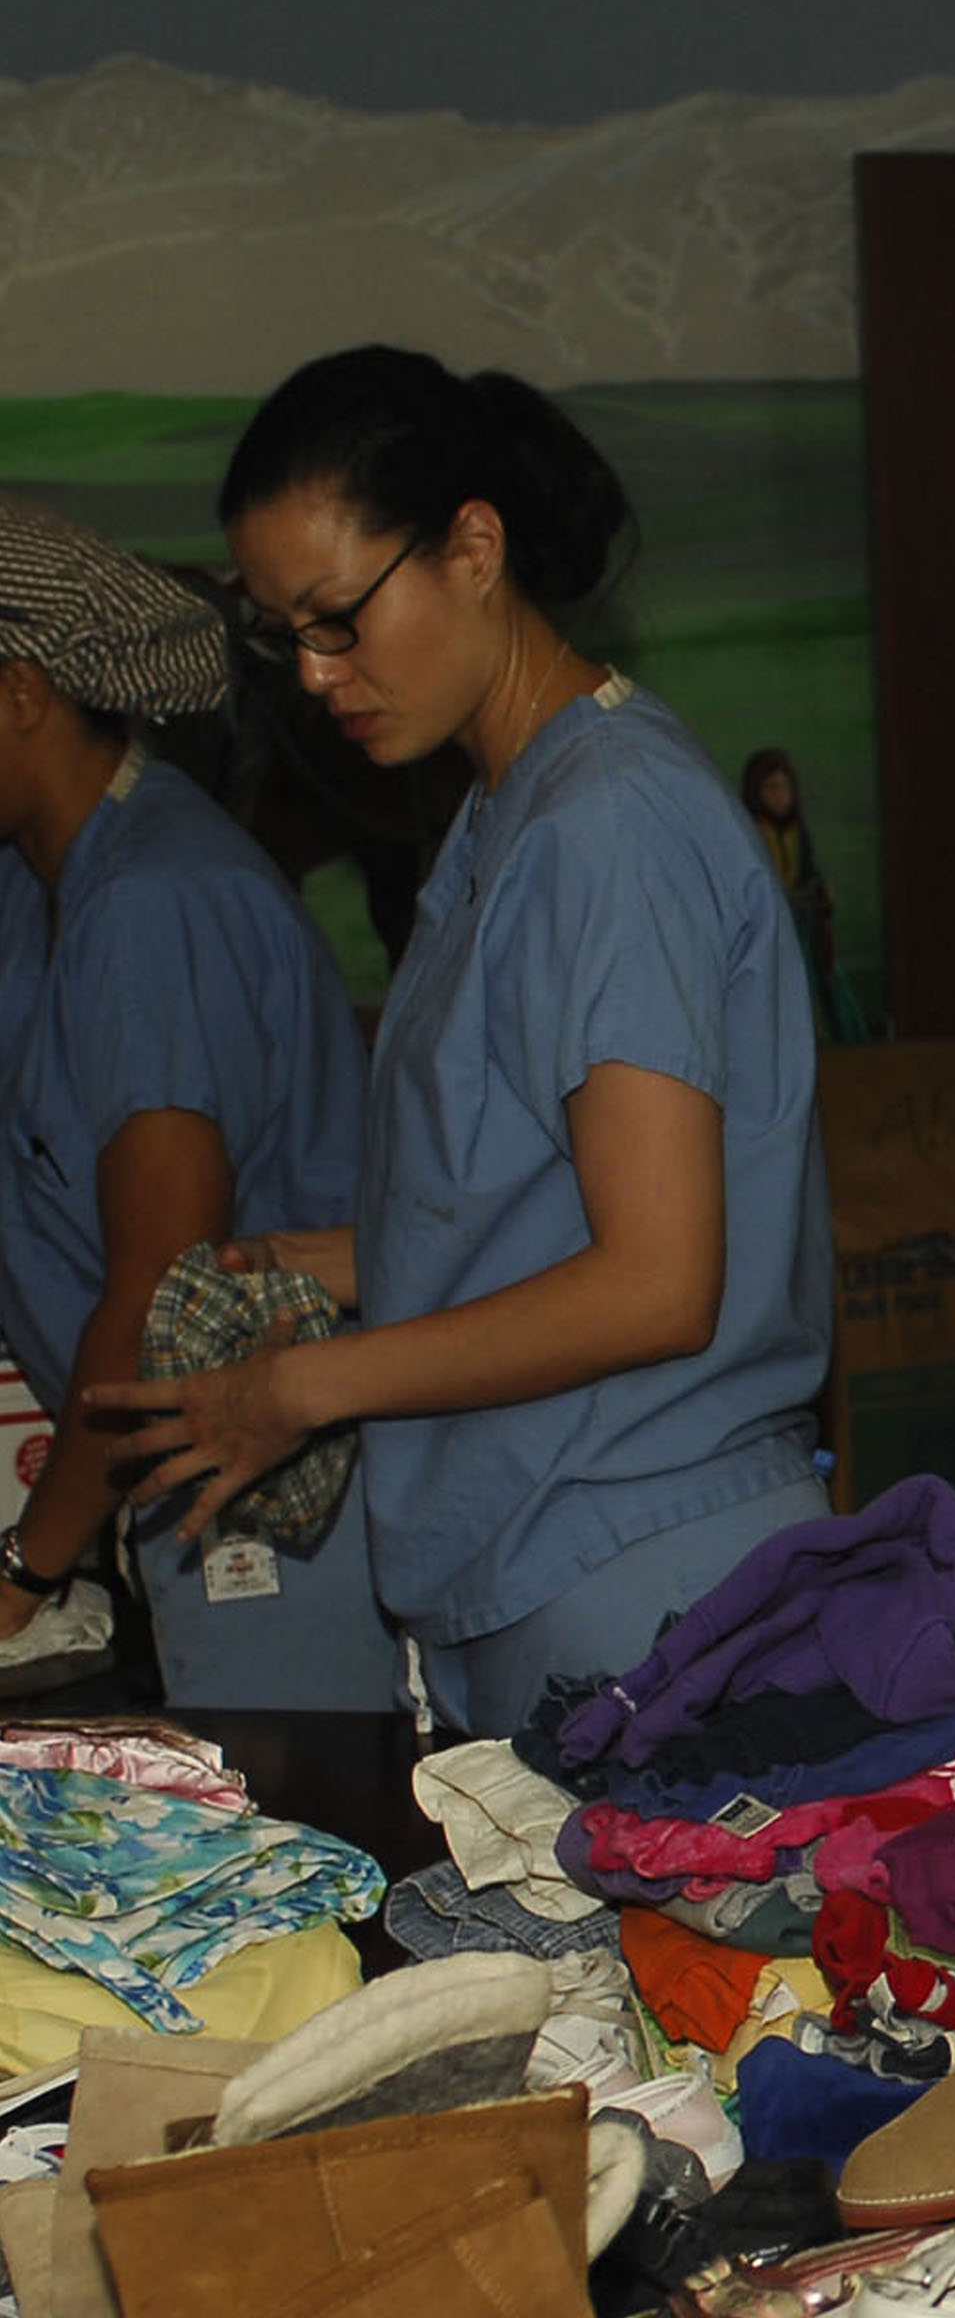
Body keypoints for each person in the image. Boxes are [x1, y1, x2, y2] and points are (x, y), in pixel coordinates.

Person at [91, 346, 836, 1737]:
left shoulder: (607, 825)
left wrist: (302, 1386)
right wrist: (347, 1260)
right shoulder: (507, 810)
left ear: (473, 548)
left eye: (337, 620)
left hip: (634, 1571)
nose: (316, 676)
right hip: (543, 1564)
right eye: (282, 637)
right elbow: (555, 1205)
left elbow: (658, 1283)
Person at [0, 493, 397, 1706]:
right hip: (185, 1510)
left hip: (273, 1524)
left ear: (21, 694)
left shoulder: (154, 901)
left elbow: (158, 1282)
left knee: (300, 1858)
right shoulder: (45, 886)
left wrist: (25, 1565)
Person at [742, 747, 862, 1042]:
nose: (781, 796)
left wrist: (818, 893)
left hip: (805, 934)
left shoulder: (797, 833)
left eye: (785, 787)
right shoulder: (751, 833)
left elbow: (809, 873)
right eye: (771, 788)